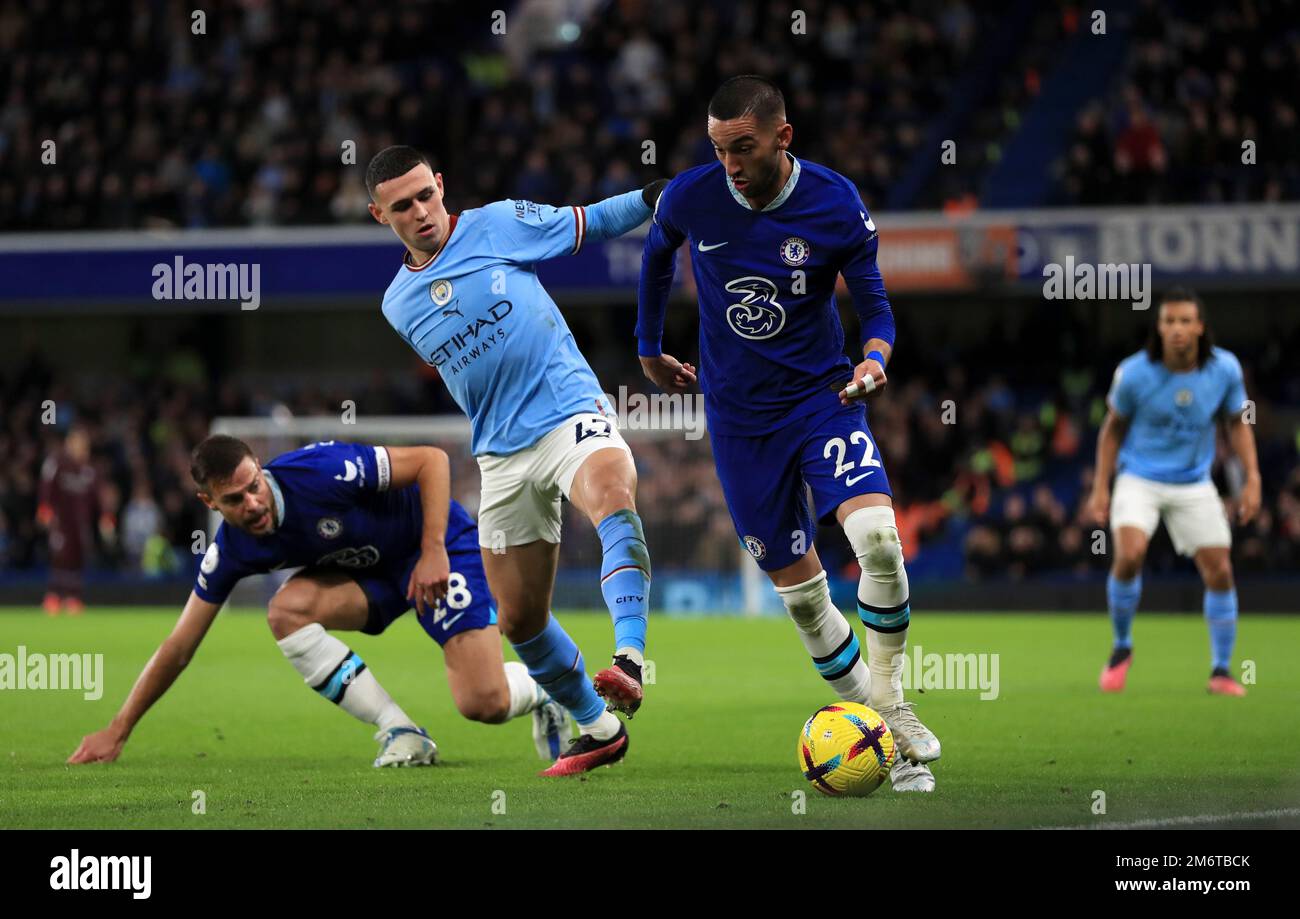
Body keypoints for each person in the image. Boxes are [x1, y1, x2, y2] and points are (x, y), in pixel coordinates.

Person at [636, 75, 939, 792]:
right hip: (740, 422)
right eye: (718, 148)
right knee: (804, 598)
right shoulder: (691, 195)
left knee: (878, 542)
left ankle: (891, 703)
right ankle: (880, 719)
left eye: (743, 146)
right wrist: (649, 347)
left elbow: (877, 308)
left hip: (822, 398)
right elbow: (655, 256)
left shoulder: (834, 203)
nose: (730, 163)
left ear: (782, 136)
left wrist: (874, 360)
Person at [368, 145, 665, 775]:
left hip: (568, 413)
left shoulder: (497, 224)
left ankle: (631, 658)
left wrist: (651, 197)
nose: (421, 212)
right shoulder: (397, 303)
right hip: (499, 455)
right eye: (402, 206)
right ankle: (597, 727)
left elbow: (590, 222)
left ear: (441, 185)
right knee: (520, 619)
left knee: (612, 492)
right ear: (379, 215)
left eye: (426, 195)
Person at [69, 436, 571, 767]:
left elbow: (431, 461)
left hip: (432, 548)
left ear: (261, 471)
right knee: (284, 611)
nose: (253, 504)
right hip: (368, 574)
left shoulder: (322, 471)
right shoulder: (232, 550)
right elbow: (179, 645)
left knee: (482, 703)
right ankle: (402, 732)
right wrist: (118, 729)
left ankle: (544, 691)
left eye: (254, 487)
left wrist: (434, 548)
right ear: (210, 505)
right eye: (235, 501)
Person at [1087, 288, 1258, 696]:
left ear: (1200, 327)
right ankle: (1121, 647)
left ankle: (1220, 671)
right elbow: (1112, 430)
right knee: (1130, 554)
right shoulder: (1135, 373)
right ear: (1159, 327)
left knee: (1220, 569)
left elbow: (1237, 422)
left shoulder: (1224, 369)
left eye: (1185, 321)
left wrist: (1253, 476)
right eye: (1169, 322)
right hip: (1139, 478)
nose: (1177, 329)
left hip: (1194, 481)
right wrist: (1100, 486)